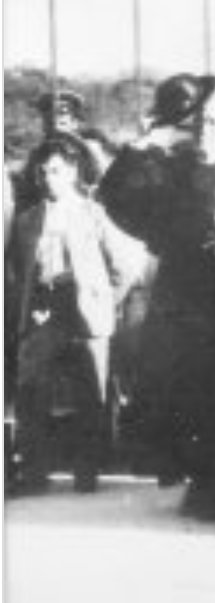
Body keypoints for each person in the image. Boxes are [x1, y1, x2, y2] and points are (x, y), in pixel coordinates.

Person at [98, 78, 215, 519]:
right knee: (184, 390)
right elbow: (115, 196)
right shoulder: (168, 170)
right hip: (181, 295)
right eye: (197, 121)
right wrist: (140, 143)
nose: (204, 130)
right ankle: (200, 480)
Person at [7, 136, 140, 494]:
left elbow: (126, 265)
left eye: (57, 171)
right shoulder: (26, 220)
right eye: (43, 171)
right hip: (44, 313)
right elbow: (19, 270)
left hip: (86, 313)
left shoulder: (92, 213)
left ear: (73, 173)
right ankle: (34, 471)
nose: (49, 178)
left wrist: (106, 300)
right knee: (31, 389)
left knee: (91, 393)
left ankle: (87, 471)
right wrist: (29, 305)